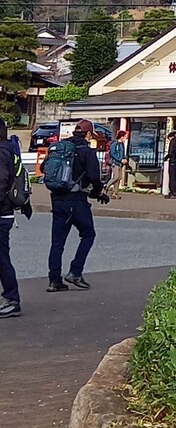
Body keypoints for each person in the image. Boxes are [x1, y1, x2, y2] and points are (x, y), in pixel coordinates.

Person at [47, 118, 108, 292]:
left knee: (57, 242)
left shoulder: (59, 147)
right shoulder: (86, 152)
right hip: (76, 200)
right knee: (88, 234)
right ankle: (75, 272)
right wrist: (98, 193)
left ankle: (54, 280)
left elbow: (46, 168)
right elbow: (94, 177)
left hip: (57, 199)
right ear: (88, 134)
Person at [0, 118, 32, 318]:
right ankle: (11, 298)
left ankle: (12, 299)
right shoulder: (9, 151)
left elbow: (1, 184)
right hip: (6, 212)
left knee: (2, 258)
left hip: (1, 213)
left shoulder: (2, 154)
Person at [108, 130, 128, 197]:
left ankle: (115, 192)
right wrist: (120, 159)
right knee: (115, 177)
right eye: (125, 137)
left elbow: (123, 153)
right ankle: (105, 187)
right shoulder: (115, 144)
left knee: (119, 178)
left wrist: (124, 158)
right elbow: (112, 153)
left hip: (120, 164)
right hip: (115, 163)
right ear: (121, 137)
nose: (125, 138)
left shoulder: (122, 145)